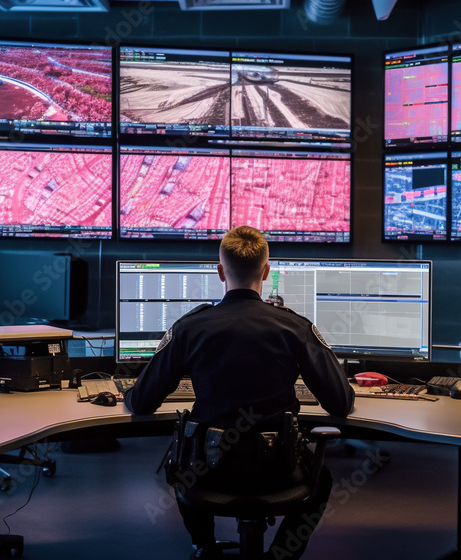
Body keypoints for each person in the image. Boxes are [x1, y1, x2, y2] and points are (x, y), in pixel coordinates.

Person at [125, 225, 355, 560]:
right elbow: (341, 402)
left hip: (206, 472)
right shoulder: (296, 327)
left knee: (180, 458)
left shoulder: (189, 327)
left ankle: (205, 548)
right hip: (279, 471)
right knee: (321, 477)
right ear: (266, 271)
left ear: (220, 272)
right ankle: (280, 555)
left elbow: (142, 402)